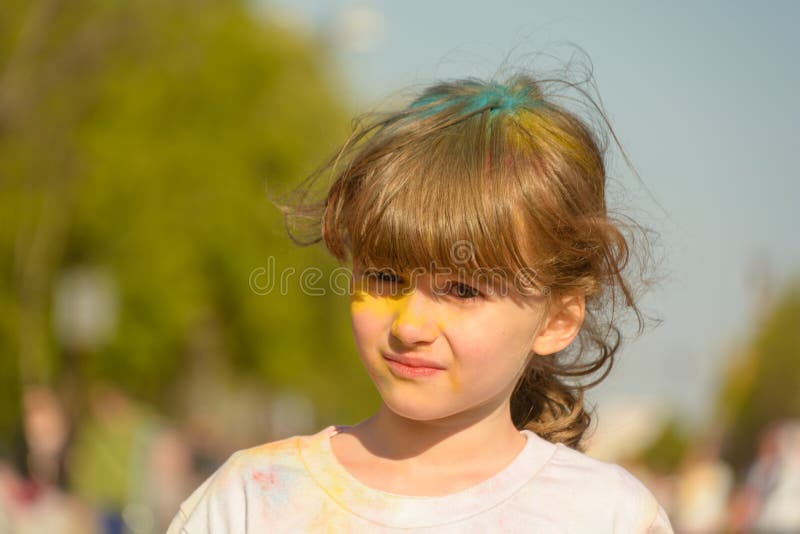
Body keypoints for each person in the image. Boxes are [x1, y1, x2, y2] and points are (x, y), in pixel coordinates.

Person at [167, 70, 674, 533]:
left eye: (462, 290)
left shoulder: (605, 515)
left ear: (556, 319)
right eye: (386, 277)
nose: (409, 326)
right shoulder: (253, 499)